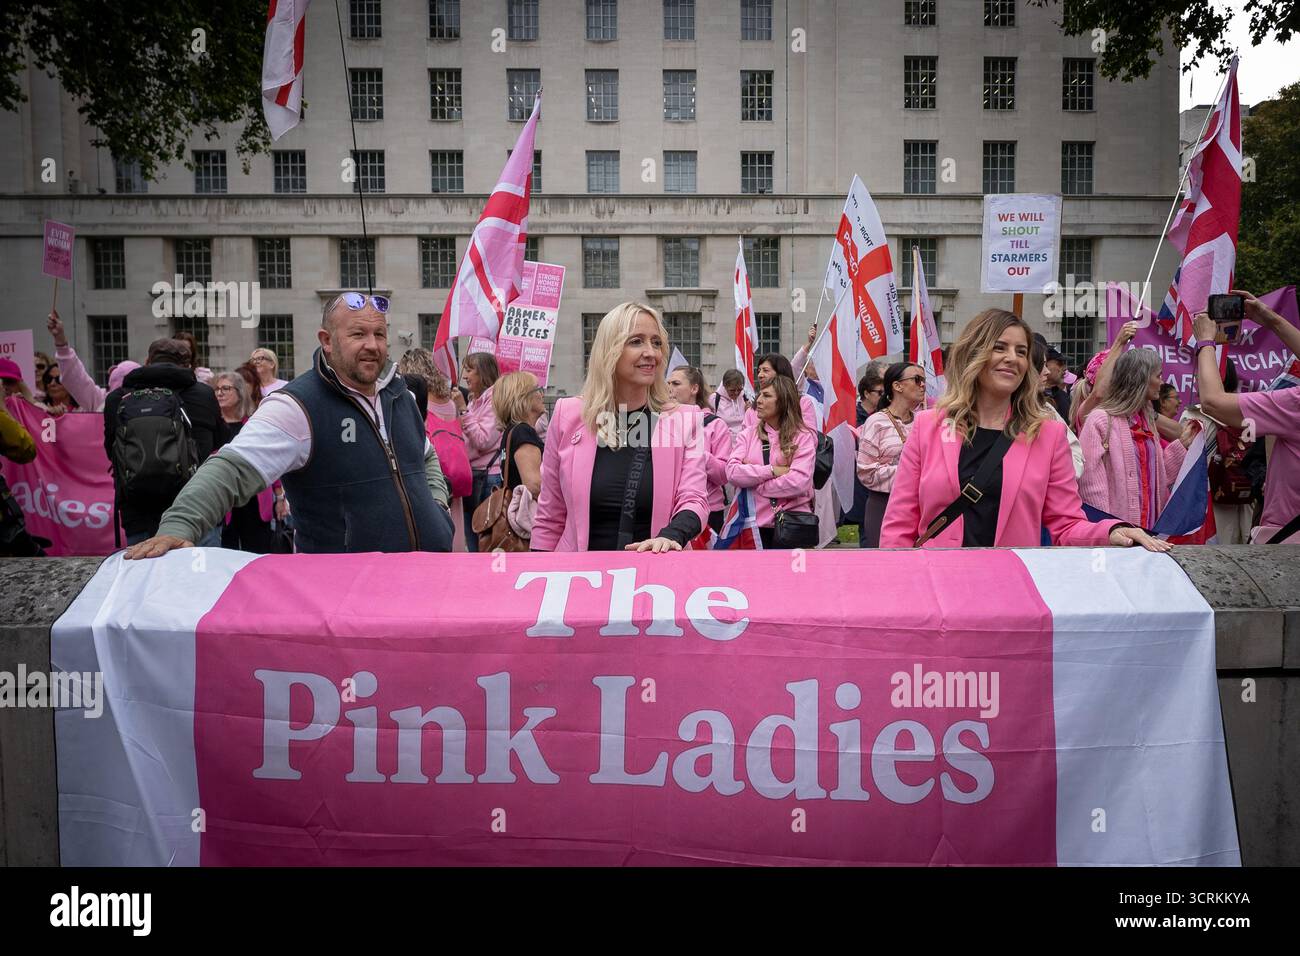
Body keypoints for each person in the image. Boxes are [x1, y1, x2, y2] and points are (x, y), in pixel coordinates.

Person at [122, 292, 454, 558]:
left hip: (423, 583)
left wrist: (437, 511)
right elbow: (231, 469)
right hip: (346, 601)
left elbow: (425, 456)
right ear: (326, 339)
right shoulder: (298, 405)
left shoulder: (400, 395)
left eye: (379, 333)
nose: (373, 344)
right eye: (358, 334)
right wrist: (179, 525)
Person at [880, 309, 1166, 551]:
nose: (1012, 358)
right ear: (974, 354)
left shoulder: (1049, 435)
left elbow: (1066, 525)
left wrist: (1110, 531)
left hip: (1012, 594)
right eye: (1000, 347)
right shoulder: (927, 426)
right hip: (936, 592)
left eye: (1021, 352)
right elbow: (899, 524)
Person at [532, 302, 707, 552]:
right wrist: (538, 581)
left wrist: (672, 535)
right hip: (579, 580)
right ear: (610, 350)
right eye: (636, 341)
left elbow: (695, 499)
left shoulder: (685, 420)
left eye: (656, 343)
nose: (651, 353)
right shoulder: (567, 415)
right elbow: (550, 515)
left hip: (657, 579)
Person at [103, 337, 230, 547]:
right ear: (187, 365)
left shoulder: (117, 398)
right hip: (197, 508)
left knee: (146, 577)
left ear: (147, 361)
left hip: (139, 510)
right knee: (202, 578)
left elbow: (111, 451)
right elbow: (220, 441)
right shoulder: (203, 394)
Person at [1194, 293, 1300, 543]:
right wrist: (1271, 320)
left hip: (1287, 541)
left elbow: (1212, 402)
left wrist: (1205, 342)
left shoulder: (1295, 403)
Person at [1078, 348, 1195, 528]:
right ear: (1141, 378)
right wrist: (1109, 530)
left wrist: (1182, 446)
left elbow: (1159, 478)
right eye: (1158, 376)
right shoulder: (1100, 420)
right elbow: (1091, 486)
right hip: (1117, 539)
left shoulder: (1147, 420)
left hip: (1149, 534)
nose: (1162, 382)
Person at [727, 375, 817, 549]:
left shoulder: (802, 437)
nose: (759, 401)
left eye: (767, 396)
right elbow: (732, 472)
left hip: (791, 527)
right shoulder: (748, 435)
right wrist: (772, 471)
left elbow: (799, 482)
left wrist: (757, 485)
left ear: (783, 401)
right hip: (752, 528)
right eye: (760, 395)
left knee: (791, 576)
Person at [857, 361, 925, 547]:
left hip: (921, 505)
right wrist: (910, 474)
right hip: (884, 505)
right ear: (897, 386)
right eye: (917, 379)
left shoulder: (924, 421)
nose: (923, 385)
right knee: (886, 567)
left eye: (924, 380)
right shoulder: (876, 422)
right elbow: (866, 472)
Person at [213, 372, 280, 554]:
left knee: (258, 554)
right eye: (217, 389)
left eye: (225, 388)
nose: (220, 393)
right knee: (227, 554)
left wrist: (279, 496)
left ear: (240, 392)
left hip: (254, 499)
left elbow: (269, 459)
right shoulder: (213, 426)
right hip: (225, 500)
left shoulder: (253, 423)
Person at [667, 365, 733, 534]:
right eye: (667, 384)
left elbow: (724, 474)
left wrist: (694, 454)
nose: (669, 389)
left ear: (694, 388)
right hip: (669, 509)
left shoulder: (715, 424)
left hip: (707, 510)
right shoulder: (663, 422)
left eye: (675, 384)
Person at [46, 310, 139, 411]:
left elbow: (76, 378)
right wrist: (60, 341)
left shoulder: (101, 400)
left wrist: (61, 343)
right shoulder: (101, 399)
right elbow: (75, 378)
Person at [459, 352, 502, 552]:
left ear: (483, 373)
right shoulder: (475, 400)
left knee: (484, 541)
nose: (464, 376)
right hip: (473, 475)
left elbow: (483, 440)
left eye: (469, 370)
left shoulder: (493, 400)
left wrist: (462, 411)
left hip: (486, 478)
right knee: (473, 539)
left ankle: (488, 580)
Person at [711, 369, 749, 437]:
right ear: (724, 386)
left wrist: (749, 412)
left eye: (739, 389)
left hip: (743, 443)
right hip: (723, 444)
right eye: (732, 390)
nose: (736, 393)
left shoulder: (744, 398)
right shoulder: (714, 399)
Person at [1041, 346, 1073, 420]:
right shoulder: (1029, 397)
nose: (1065, 368)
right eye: (1059, 364)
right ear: (1045, 364)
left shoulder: (1064, 397)